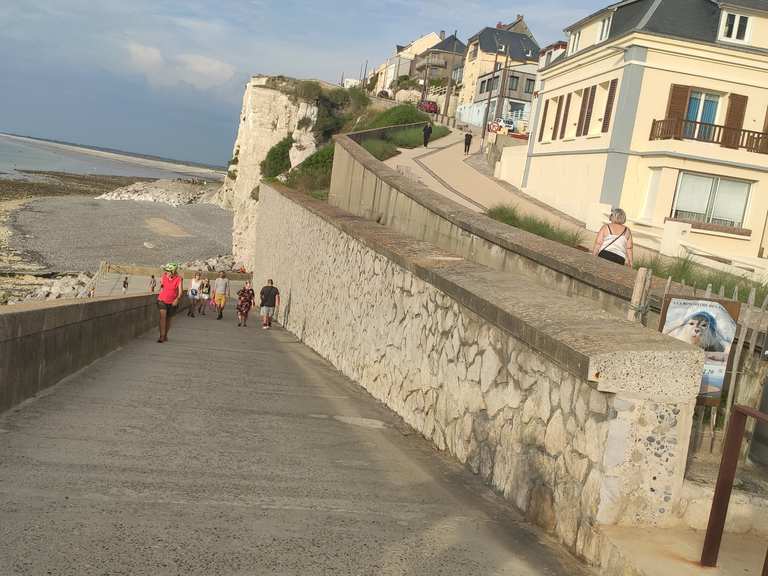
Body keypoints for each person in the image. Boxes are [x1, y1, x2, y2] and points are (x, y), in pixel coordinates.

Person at [157, 262, 183, 343]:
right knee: (162, 318)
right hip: (162, 300)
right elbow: (161, 287)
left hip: (172, 302)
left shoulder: (179, 279)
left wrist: (177, 299)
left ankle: (165, 335)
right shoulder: (163, 276)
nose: (167, 272)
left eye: (168, 271)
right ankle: (161, 336)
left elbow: (180, 292)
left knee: (168, 319)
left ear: (173, 271)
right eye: (166, 270)